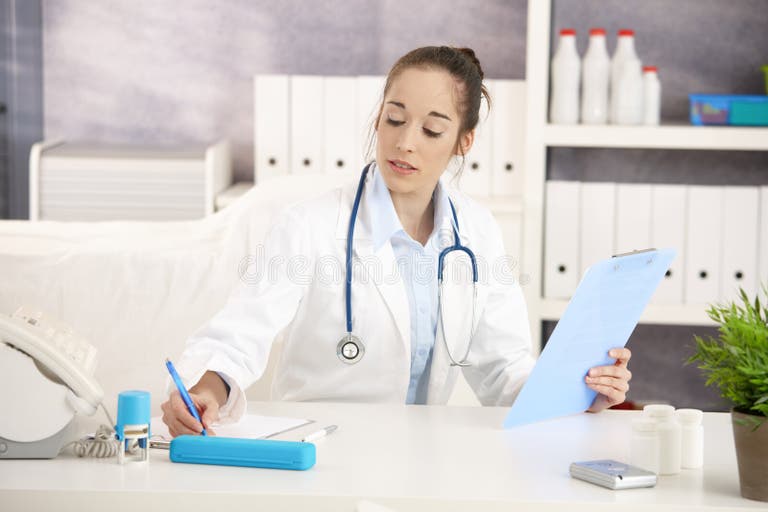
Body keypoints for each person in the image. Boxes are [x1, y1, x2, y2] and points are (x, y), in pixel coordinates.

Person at [161, 46, 632, 437]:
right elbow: (240, 336)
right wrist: (205, 391)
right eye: (394, 119)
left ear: (463, 142)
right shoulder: (308, 225)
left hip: (423, 458)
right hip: (322, 453)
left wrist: (578, 392)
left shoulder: (477, 232)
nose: (405, 142)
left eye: (431, 129)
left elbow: (503, 370)